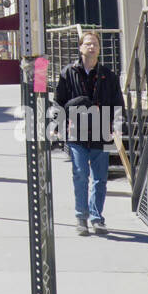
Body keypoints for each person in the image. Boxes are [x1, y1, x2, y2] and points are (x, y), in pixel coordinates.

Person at [53, 31, 125, 235]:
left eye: (95, 44)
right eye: (87, 44)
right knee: (80, 175)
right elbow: (58, 101)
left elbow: (117, 102)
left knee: (100, 179)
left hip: (102, 131)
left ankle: (97, 217)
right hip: (77, 132)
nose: (91, 47)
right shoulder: (68, 73)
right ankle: (81, 217)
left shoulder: (108, 75)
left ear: (99, 48)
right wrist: (58, 126)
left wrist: (117, 125)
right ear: (80, 47)